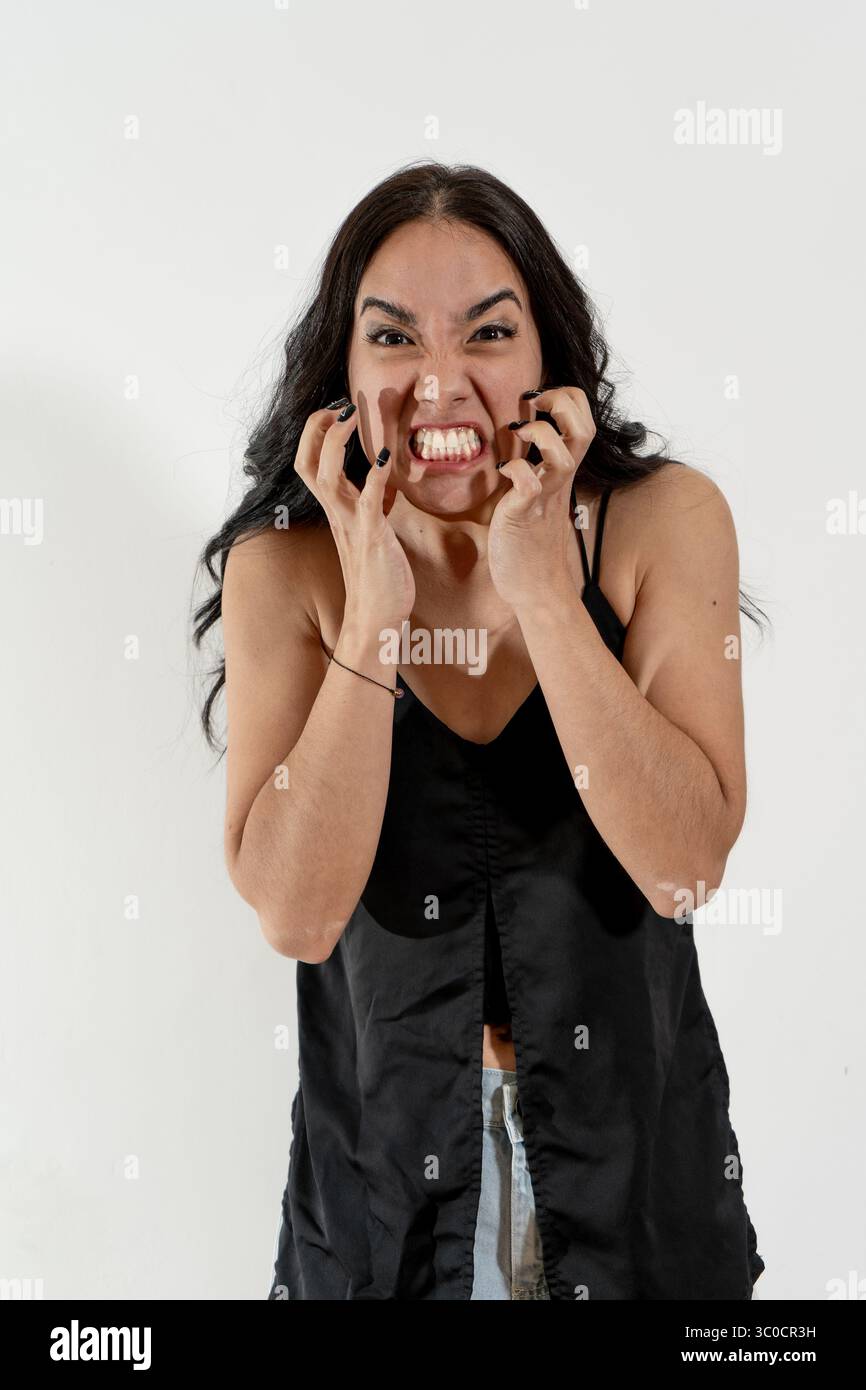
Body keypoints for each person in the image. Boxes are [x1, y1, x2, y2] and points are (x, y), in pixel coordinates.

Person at [193, 160, 767, 1300]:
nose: (439, 385)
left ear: (546, 357)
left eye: (487, 335)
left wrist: (547, 593)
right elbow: (299, 914)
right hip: (381, 1212)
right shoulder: (288, 569)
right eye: (393, 339)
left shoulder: (661, 523)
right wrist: (371, 622)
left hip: (635, 1191)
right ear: (344, 374)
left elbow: (684, 864)